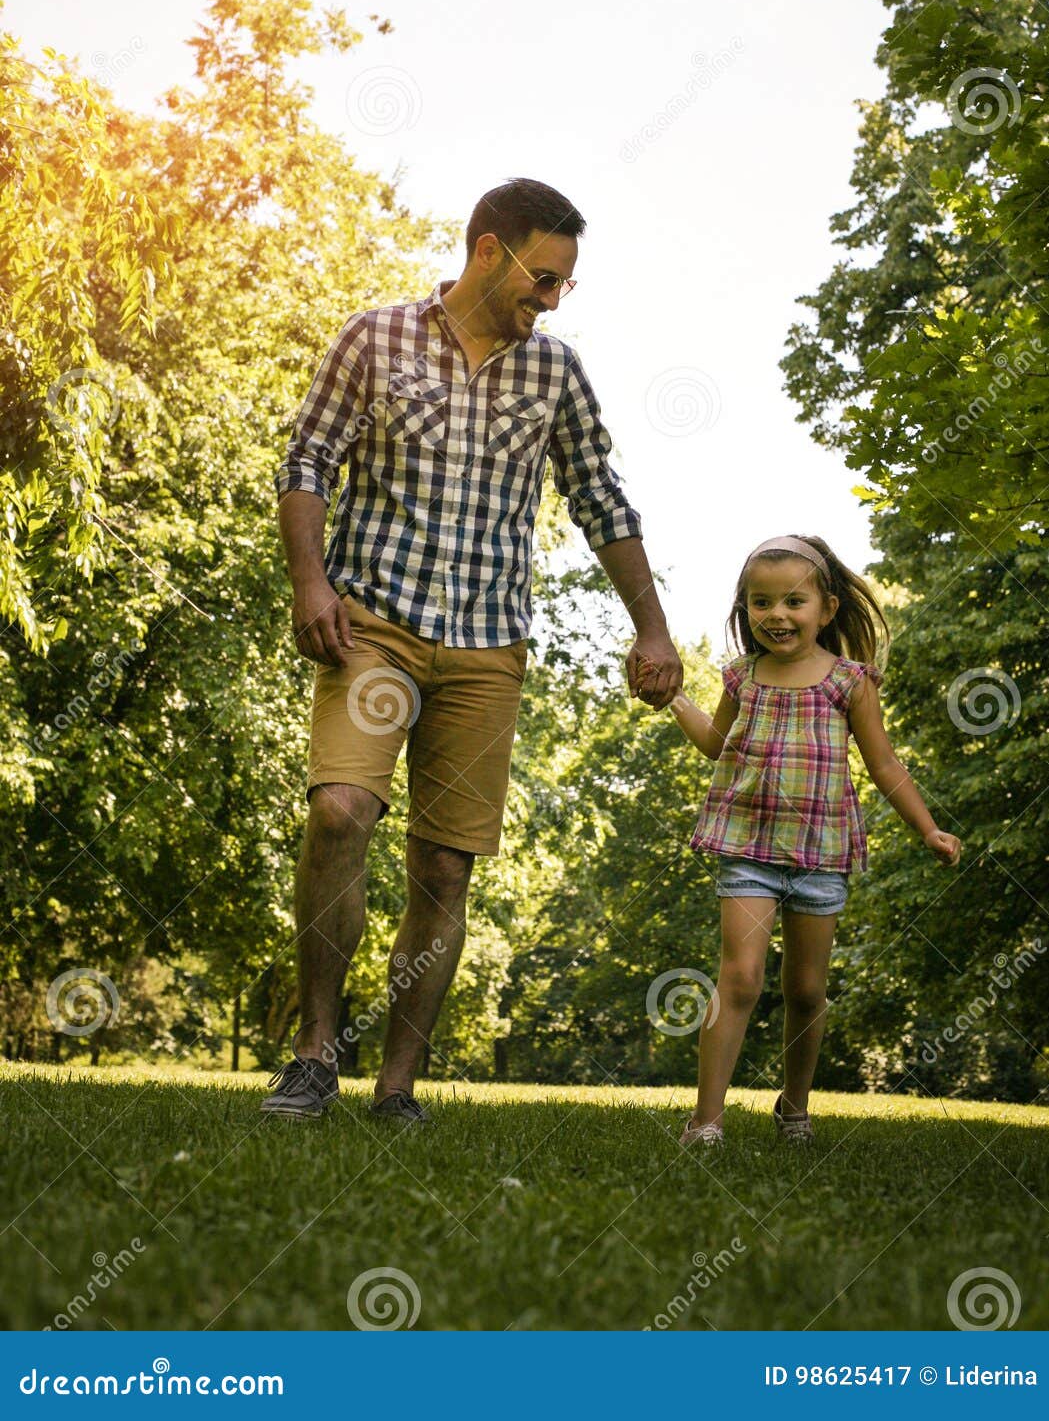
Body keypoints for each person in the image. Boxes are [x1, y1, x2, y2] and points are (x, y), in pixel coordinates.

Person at [263, 176, 683, 1121]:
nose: (551, 300)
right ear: (487, 251)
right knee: (338, 811)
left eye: (564, 286)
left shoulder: (556, 375)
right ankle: (315, 1054)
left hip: (489, 646)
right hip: (372, 624)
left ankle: (398, 1087)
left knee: (444, 866)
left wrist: (651, 626)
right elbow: (306, 462)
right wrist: (309, 583)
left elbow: (600, 500)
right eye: (542, 277)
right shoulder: (375, 338)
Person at [637, 532, 961, 1149]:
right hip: (749, 848)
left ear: (827, 609)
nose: (777, 616)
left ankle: (794, 1104)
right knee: (740, 980)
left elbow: (885, 765)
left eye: (793, 602)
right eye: (761, 603)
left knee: (807, 991)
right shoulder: (743, 678)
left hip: (821, 854)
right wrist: (674, 697)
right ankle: (706, 1121)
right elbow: (715, 744)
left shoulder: (849, 682)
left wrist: (926, 827)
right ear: (746, 608)